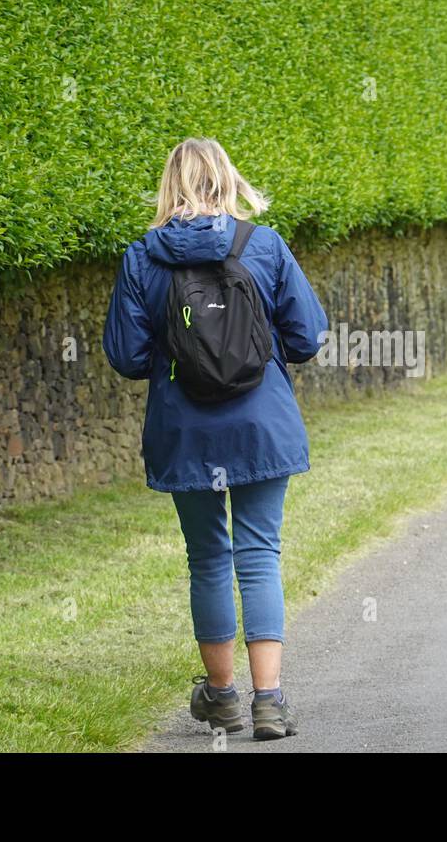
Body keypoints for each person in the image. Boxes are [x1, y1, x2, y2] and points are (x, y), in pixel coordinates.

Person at [103, 137, 327, 740]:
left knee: (207, 559)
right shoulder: (264, 247)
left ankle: (222, 698)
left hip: (185, 429)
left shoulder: (142, 258)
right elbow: (306, 339)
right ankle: (270, 703)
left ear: (169, 186)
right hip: (261, 425)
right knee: (259, 555)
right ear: (228, 180)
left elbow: (126, 356)